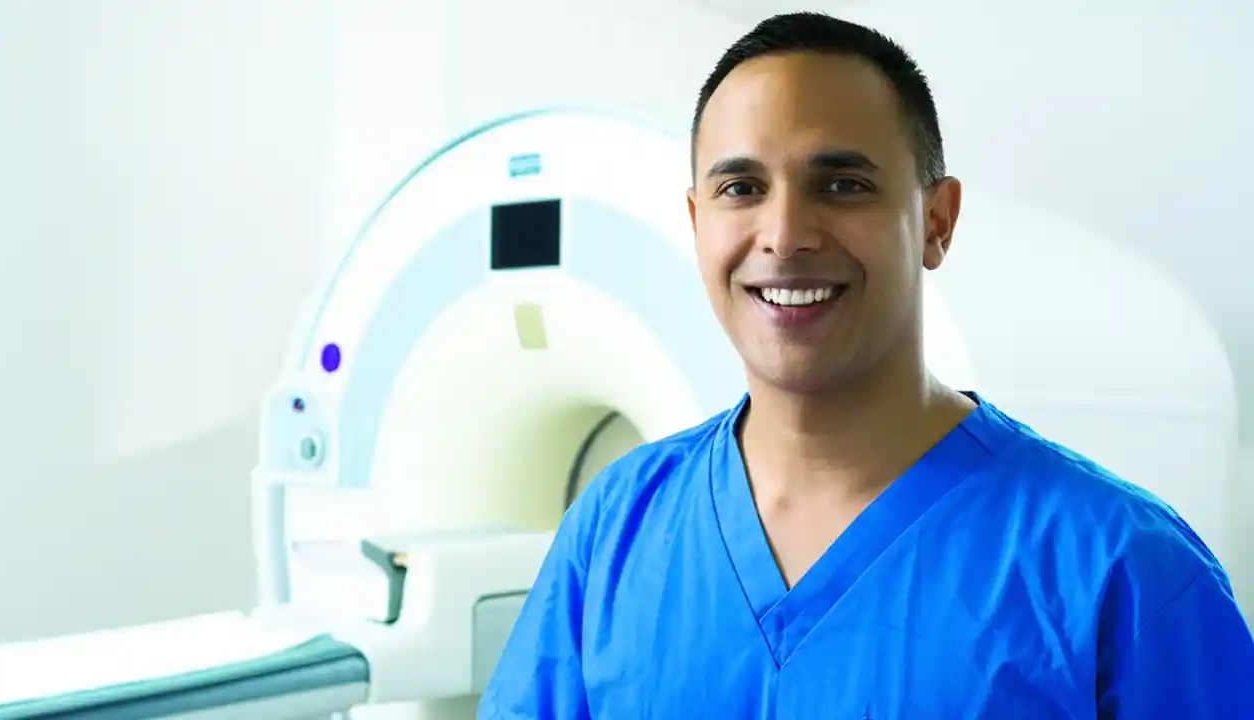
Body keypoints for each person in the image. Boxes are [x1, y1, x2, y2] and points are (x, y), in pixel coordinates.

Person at [478, 11, 1254, 719]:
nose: (783, 233)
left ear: (936, 222)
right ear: (697, 222)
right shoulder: (614, 529)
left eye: (842, 185)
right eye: (741, 188)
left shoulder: (1121, 567)